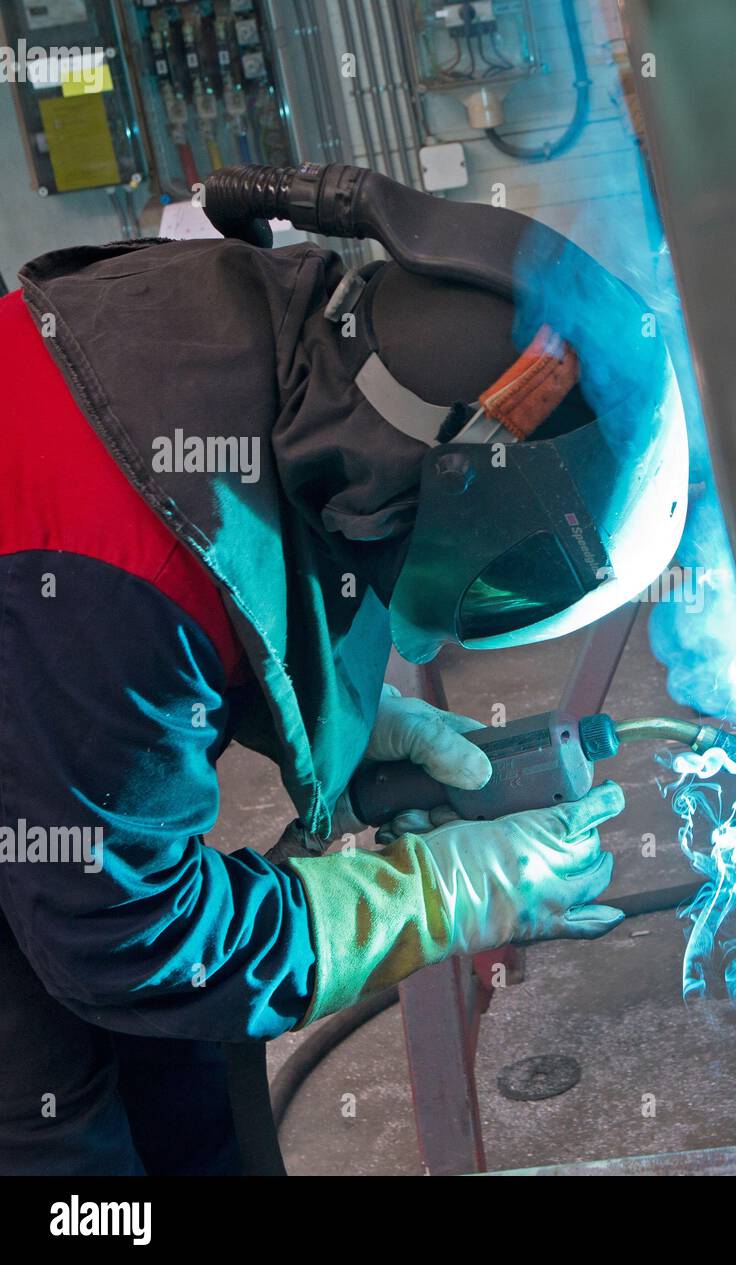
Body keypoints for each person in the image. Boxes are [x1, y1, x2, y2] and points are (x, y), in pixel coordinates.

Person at [0, 162, 687, 1174]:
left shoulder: (267, 335)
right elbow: (132, 940)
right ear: (438, 489)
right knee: (58, 1120)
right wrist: (422, 900)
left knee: (182, 1043)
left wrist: (342, 720)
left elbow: (225, 544)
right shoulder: (112, 576)